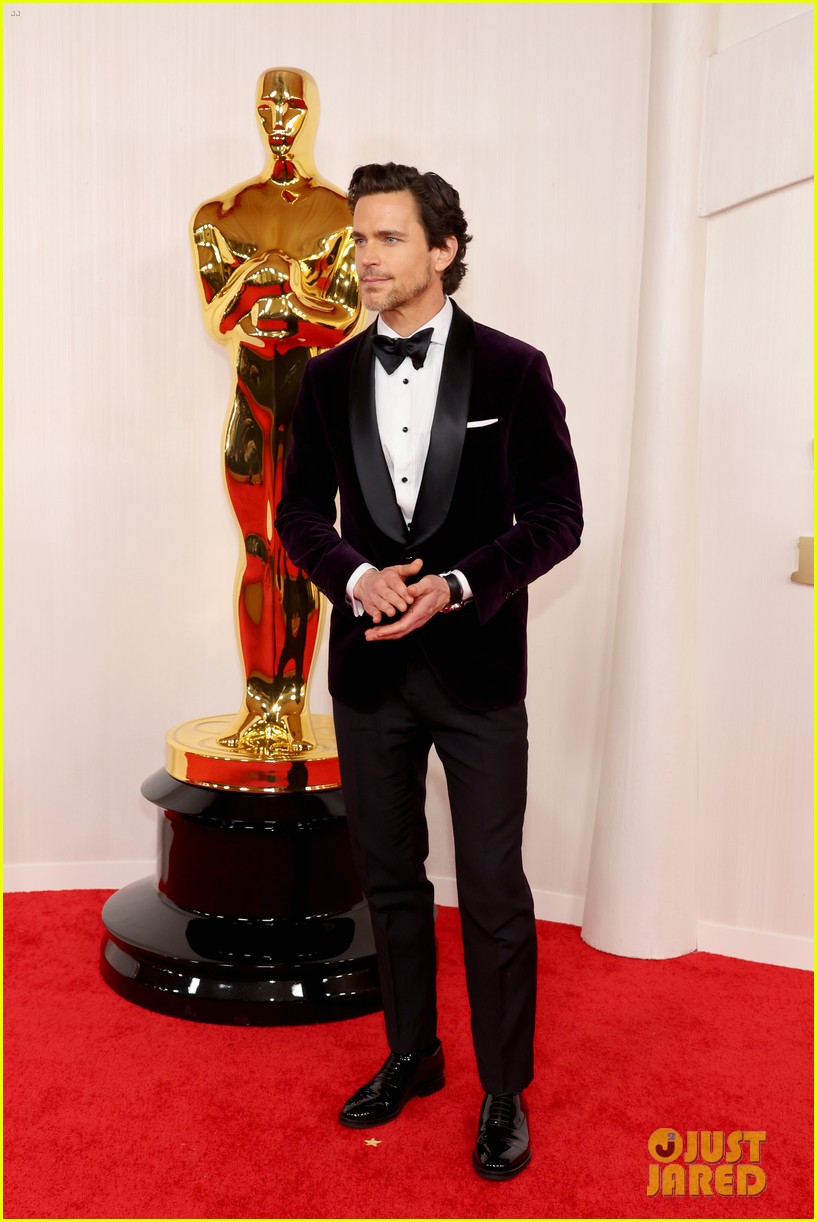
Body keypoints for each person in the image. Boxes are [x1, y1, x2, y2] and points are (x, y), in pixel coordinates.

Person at [275, 162, 582, 1179]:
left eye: (386, 239)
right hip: (367, 675)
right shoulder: (325, 378)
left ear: (443, 250)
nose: (361, 256)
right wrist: (356, 575)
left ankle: (503, 1087)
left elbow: (555, 517)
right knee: (389, 878)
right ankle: (412, 1053)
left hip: (479, 668)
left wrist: (453, 584)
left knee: (492, 885)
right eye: (358, 239)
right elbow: (298, 514)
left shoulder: (511, 369)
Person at [191, 68, 363, 757]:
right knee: (256, 552)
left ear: (312, 111)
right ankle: (256, 702)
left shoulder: (344, 214)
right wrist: (258, 275)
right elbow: (219, 315)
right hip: (252, 405)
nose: (279, 117)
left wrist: (281, 280)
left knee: (301, 555)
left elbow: (342, 317)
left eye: (292, 104)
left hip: (313, 409)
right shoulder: (220, 214)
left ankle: (289, 710)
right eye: (268, 106)